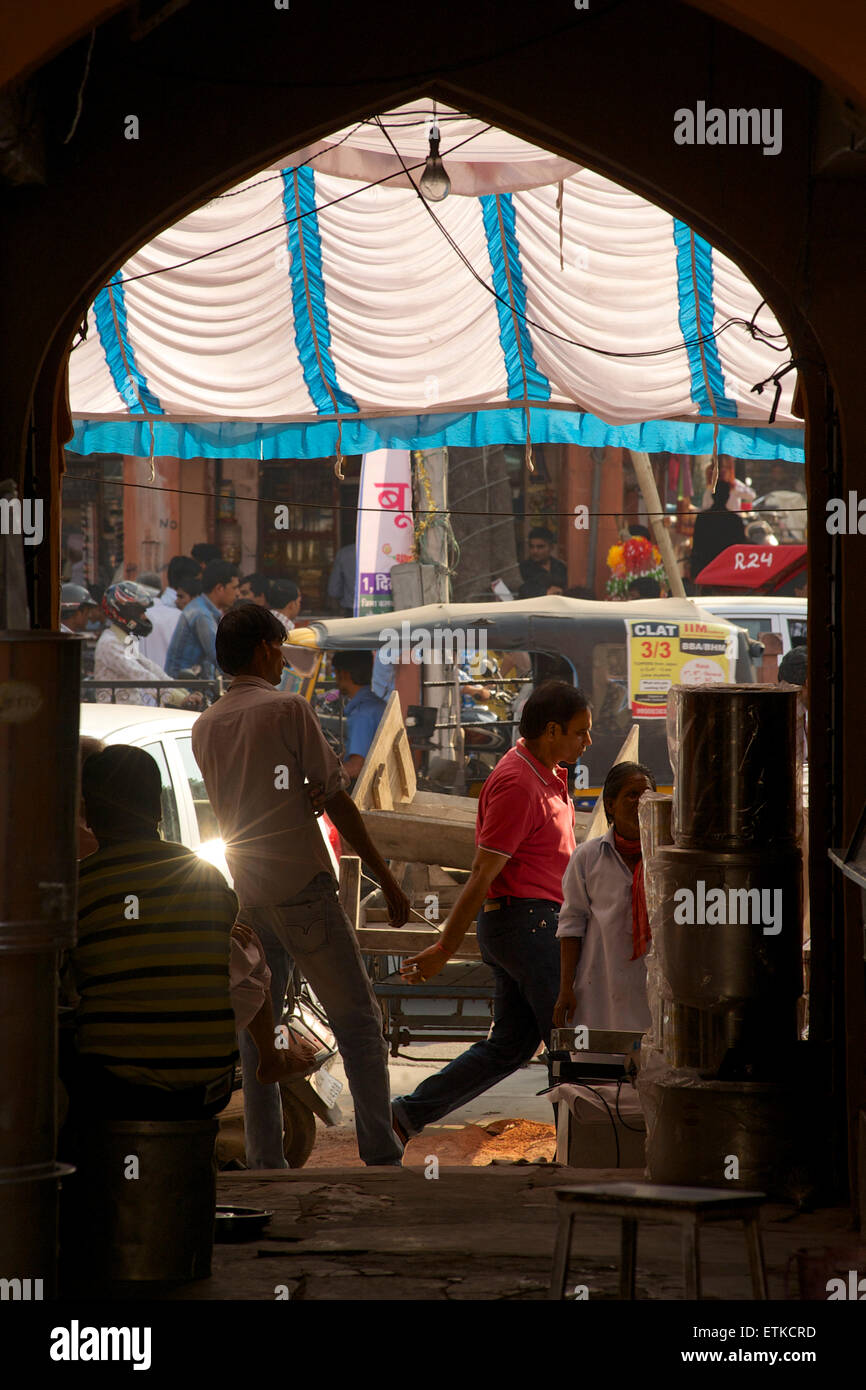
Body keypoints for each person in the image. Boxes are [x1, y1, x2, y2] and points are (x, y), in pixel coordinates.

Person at [190, 603, 410, 1168]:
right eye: (281, 648)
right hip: (303, 890)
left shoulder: (206, 725)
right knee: (358, 1020)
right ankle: (381, 1151)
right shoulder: (288, 709)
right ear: (266, 649)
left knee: (259, 1030)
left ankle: (267, 1160)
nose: (285, 660)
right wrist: (386, 879)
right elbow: (335, 795)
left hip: (249, 892)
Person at [390, 680, 592, 1146]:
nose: (587, 741)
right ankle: (586, 1144)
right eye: (580, 732)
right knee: (568, 1042)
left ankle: (404, 1117)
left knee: (510, 1047)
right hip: (528, 926)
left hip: (531, 923)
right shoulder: (519, 782)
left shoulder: (546, 771)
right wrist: (445, 947)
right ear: (551, 730)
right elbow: (481, 875)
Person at [63, 745, 239, 1122]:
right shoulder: (207, 876)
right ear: (159, 808)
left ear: (87, 813)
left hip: (118, 1086)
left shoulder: (77, 887)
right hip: (212, 1084)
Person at [553, 761, 657, 1033]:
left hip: (653, 985)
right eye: (631, 795)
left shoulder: (665, 859)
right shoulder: (588, 857)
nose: (640, 803)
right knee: (600, 1065)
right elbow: (571, 925)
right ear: (610, 805)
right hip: (601, 984)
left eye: (646, 796)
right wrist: (566, 989)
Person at [92, 581, 198, 707]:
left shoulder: (126, 639)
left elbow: (149, 666)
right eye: (139, 612)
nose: (144, 617)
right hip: (116, 717)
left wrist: (184, 693)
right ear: (123, 612)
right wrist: (179, 699)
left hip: (131, 712)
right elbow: (139, 674)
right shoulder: (109, 643)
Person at [164, 559, 239, 678]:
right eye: (234, 588)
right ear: (220, 588)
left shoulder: (203, 609)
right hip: (186, 691)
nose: (237, 593)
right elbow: (220, 658)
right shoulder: (201, 614)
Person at [331, 650, 386, 781]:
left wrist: (320, 777)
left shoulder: (362, 714)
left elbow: (356, 768)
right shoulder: (378, 704)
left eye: (335, 673)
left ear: (344, 674)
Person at [689, 479, 747, 587]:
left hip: (708, 570)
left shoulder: (703, 518)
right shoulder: (735, 520)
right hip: (726, 571)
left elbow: (696, 546)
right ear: (728, 497)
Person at [135, 570, 182, 668]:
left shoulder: (137, 618)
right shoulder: (178, 615)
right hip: (174, 678)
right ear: (162, 591)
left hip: (146, 678)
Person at [518, 526, 568, 599]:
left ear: (551, 547)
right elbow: (522, 590)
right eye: (532, 547)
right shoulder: (524, 568)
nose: (535, 551)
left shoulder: (560, 566)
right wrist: (545, 593)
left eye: (540, 547)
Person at [328, 542, 356, 616]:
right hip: (383, 611)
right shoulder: (384, 551)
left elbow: (333, 590)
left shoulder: (345, 553)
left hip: (352, 611)